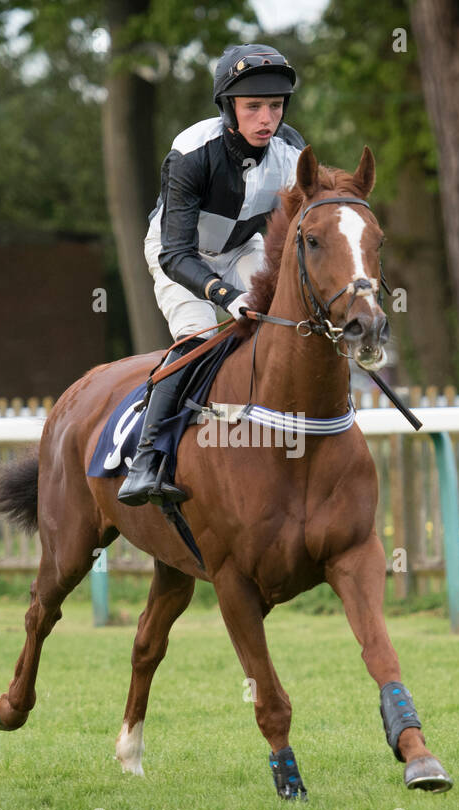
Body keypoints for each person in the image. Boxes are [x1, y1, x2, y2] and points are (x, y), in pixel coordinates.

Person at [117, 42, 306, 507]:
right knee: (198, 337)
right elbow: (177, 253)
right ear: (228, 108)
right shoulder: (191, 152)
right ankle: (147, 460)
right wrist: (228, 297)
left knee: (287, 320)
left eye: (275, 106)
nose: (267, 119)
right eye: (253, 107)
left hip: (243, 247)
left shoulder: (293, 150)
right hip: (179, 256)